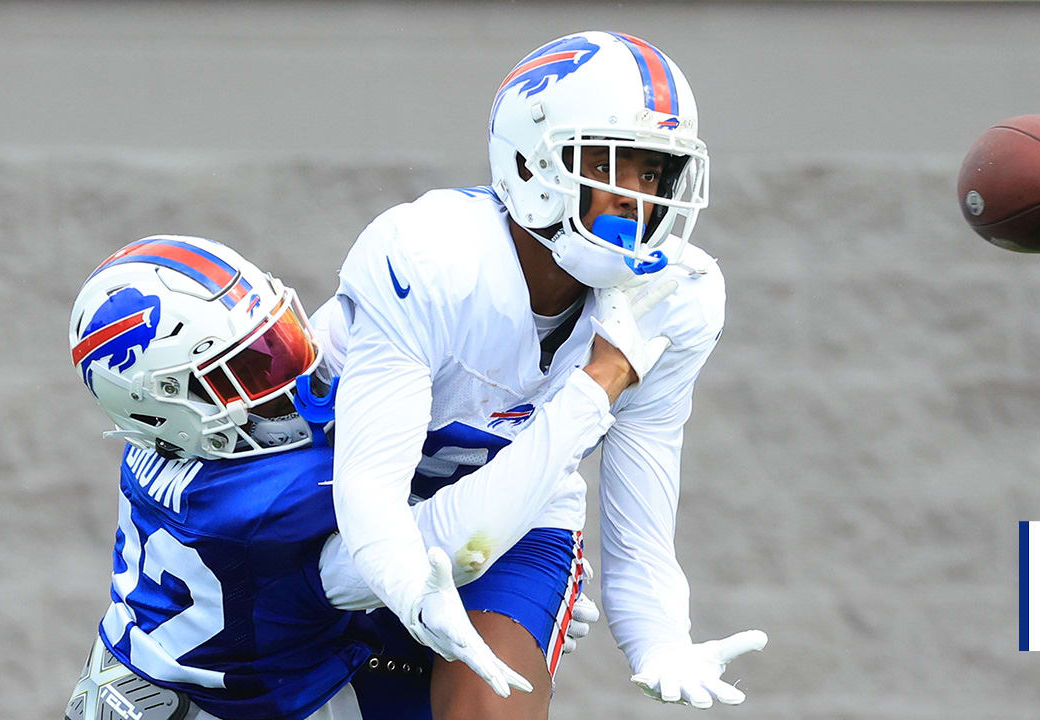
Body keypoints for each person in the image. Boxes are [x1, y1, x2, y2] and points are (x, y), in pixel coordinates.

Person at [323, 30, 767, 719]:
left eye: (652, 174)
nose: (636, 199)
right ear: (533, 163)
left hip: (514, 524)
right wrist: (412, 590)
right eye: (612, 165)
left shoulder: (675, 297)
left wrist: (660, 639)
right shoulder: (435, 257)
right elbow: (368, 492)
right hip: (322, 499)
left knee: (489, 704)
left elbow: (642, 516)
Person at [64, 235, 646, 720]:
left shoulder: (172, 445)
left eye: (279, 337)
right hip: (248, 700)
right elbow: (449, 544)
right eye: (246, 369)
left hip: (149, 665)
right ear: (164, 404)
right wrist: (596, 386)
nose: (294, 369)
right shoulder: (264, 506)